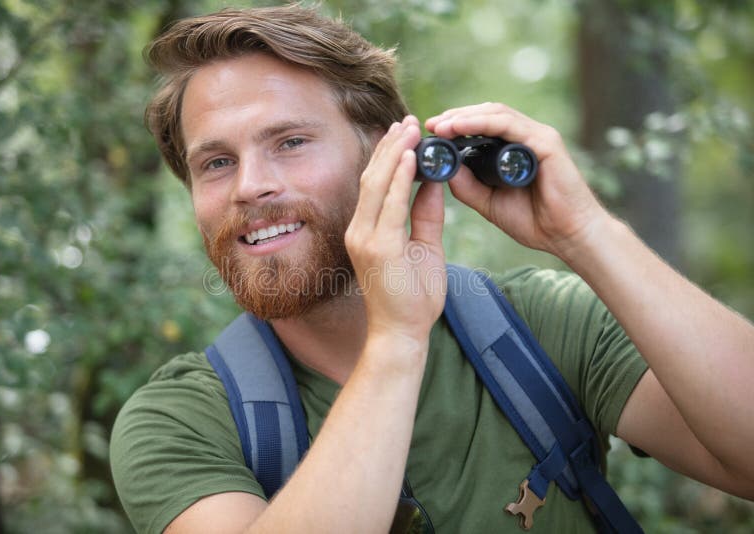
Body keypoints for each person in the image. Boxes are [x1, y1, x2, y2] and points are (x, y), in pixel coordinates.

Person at [109, 5, 754, 534]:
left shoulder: (542, 326)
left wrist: (585, 234)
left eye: (291, 142)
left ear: (387, 154)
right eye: (215, 162)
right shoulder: (179, 419)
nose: (250, 185)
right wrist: (396, 339)